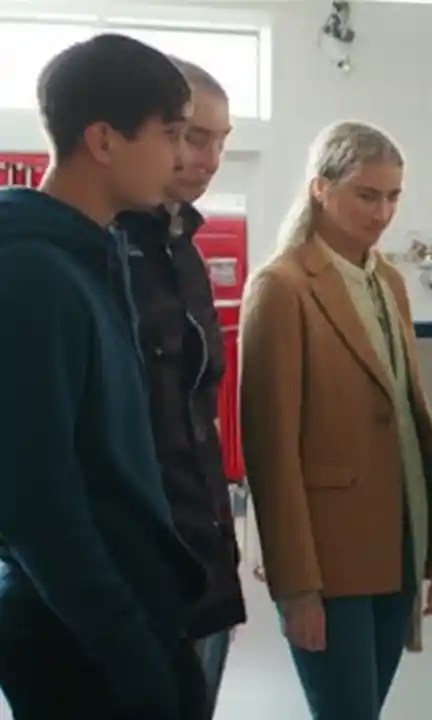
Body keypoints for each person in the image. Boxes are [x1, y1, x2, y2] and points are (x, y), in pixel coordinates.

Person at [0, 34, 209, 718]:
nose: (182, 158)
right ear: (103, 139)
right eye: (170, 135)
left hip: (129, 619)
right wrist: (128, 650)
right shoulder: (34, 274)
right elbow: (37, 499)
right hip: (79, 640)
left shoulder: (97, 254)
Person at [238, 120, 432, 720]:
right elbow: (270, 450)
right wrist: (295, 584)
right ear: (321, 188)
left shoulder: (387, 281)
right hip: (327, 556)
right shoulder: (282, 288)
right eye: (367, 194)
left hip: (394, 541)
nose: (383, 211)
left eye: (393, 196)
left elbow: (412, 420)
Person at [112, 56, 243, 720]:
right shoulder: (97, 250)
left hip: (203, 558)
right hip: (131, 579)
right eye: (193, 136)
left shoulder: (183, 247)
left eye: (222, 139)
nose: (211, 157)